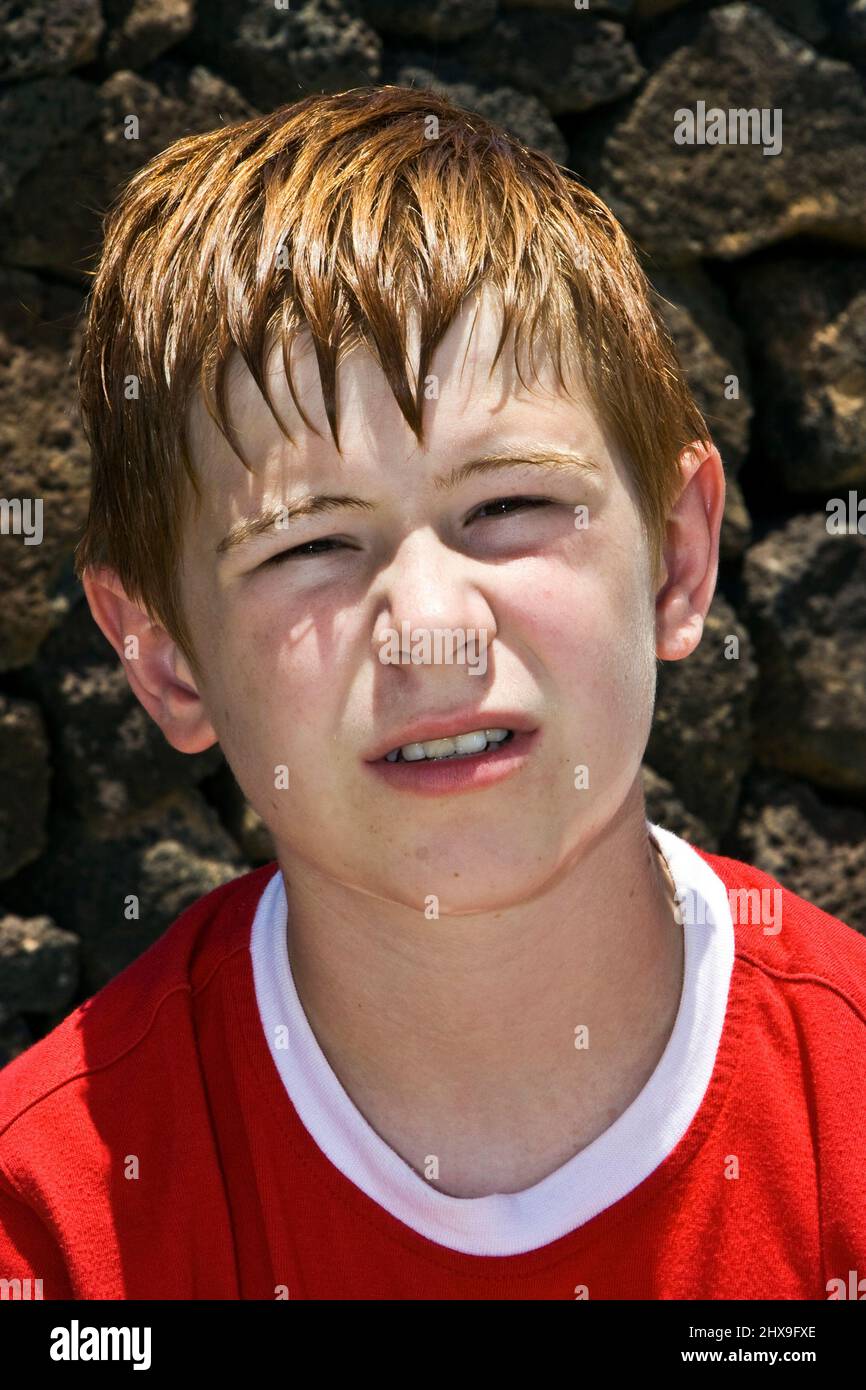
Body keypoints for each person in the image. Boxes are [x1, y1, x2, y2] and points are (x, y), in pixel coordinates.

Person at [1, 86, 863, 1301]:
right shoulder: (55, 1224)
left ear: (675, 557)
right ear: (163, 653)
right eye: (307, 545)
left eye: (507, 507)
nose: (435, 633)